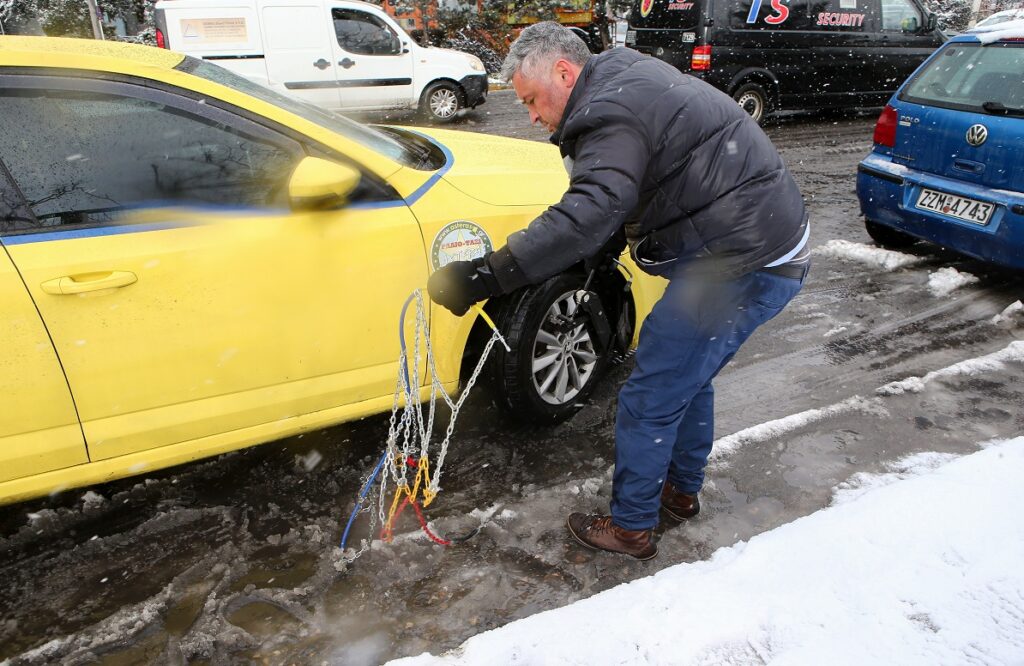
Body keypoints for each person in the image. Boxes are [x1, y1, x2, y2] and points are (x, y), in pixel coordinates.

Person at [427, 22, 809, 560]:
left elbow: (588, 209)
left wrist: (486, 275)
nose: (531, 117)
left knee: (651, 395)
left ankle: (631, 528)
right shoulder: (621, 79)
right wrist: (601, 245)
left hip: (743, 262)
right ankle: (679, 493)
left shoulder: (607, 111)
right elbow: (635, 181)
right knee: (684, 378)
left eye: (532, 101)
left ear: (564, 72)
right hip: (758, 244)